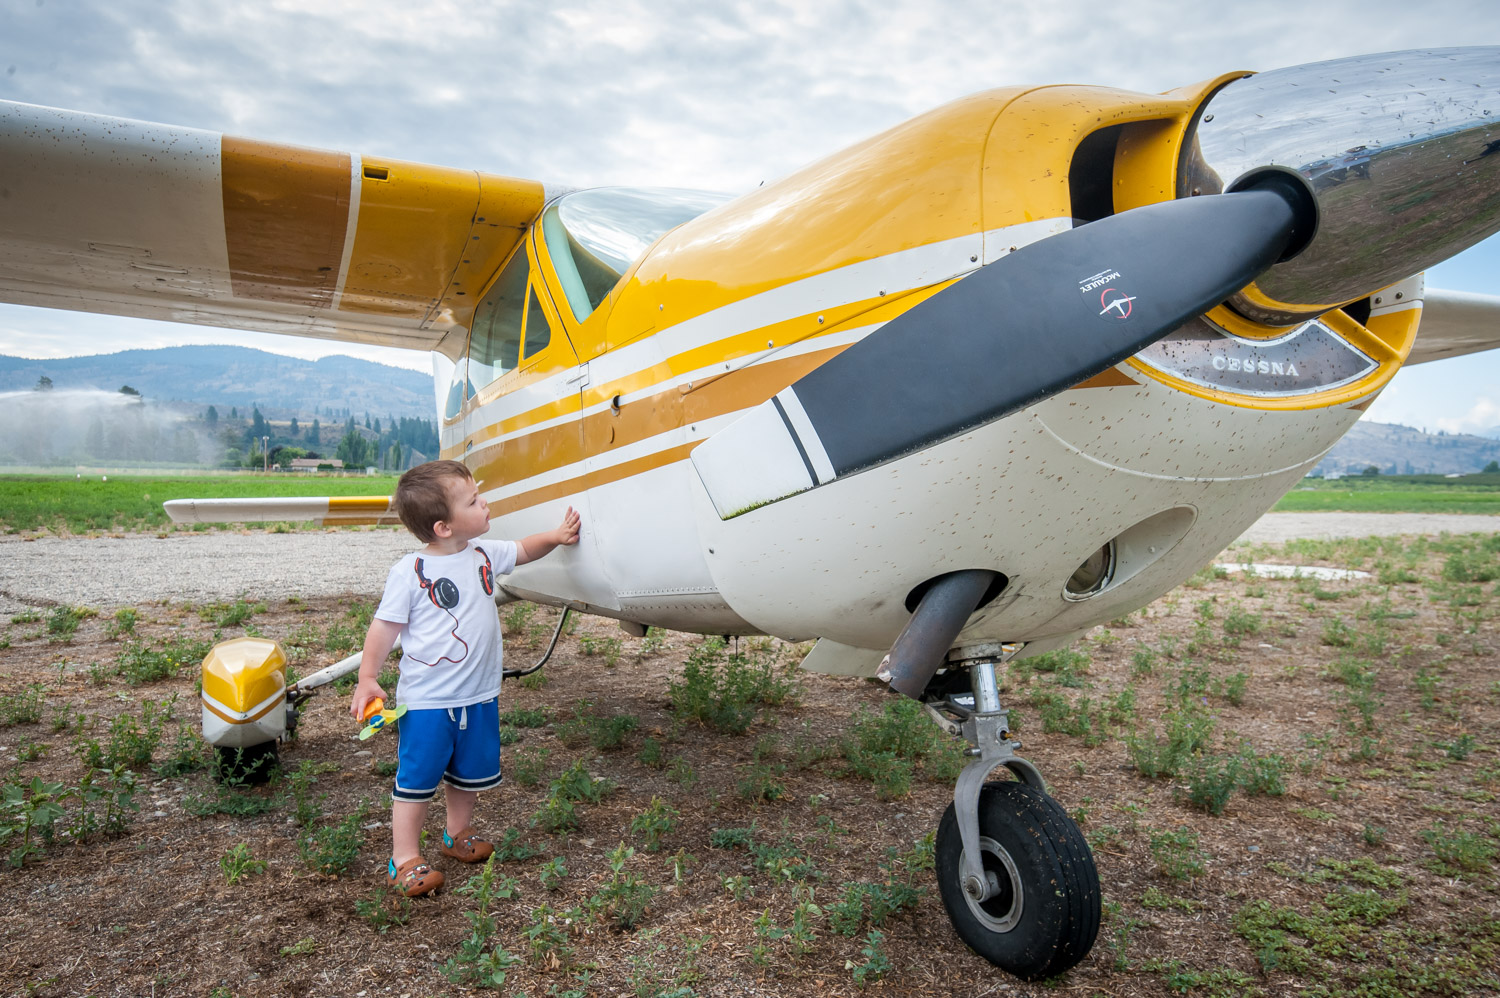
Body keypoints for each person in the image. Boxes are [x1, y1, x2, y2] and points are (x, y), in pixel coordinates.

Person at [350, 459, 581, 897]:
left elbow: (524, 549)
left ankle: (456, 835)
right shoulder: (410, 573)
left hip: (478, 695)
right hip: (428, 703)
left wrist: (555, 536)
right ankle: (403, 859)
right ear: (443, 527)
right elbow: (384, 627)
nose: (485, 502)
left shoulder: (483, 554)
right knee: (416, 781)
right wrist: (367, 677)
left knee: (467, 776)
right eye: (474, 500)